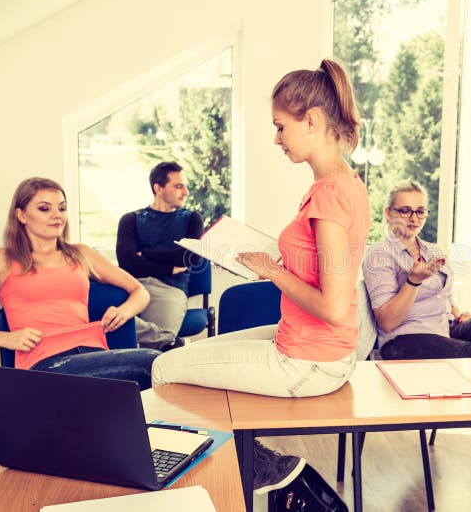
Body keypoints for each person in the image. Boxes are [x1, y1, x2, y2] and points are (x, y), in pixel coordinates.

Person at [151, 59, 371, 493]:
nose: (276, 139)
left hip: (310, 361)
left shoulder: (328, 196)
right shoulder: (347, 184)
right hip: (322, 350)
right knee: (198, 361)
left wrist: (273, 271)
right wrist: (276, 262)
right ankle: (236, 460)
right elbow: (331, 269)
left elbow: (331, 304)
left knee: (164, 368)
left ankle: (261, 467)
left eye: (280, 127)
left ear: (310, 121)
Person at [0, 177, 161, 390]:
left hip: (93, 354)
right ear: (21, 215)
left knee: (158, 368)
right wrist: (6, 339)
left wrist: (123, 311)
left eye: (62, 208)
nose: (57, 215)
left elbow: (140, 291)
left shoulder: (81, 254)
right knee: (153, 363)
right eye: (44, 208)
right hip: (45, 365)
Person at [363, 180, 471, 360]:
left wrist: (458, 314)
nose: (414, 218)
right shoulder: (379, 254)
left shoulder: (433, 250)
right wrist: (413, 281)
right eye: (405, 210)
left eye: (420, 211)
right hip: (405, 340)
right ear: (388, 213)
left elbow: (444, 297)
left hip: (445, 328)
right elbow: (387, 322)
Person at [116, 161, 204, 351]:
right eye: (179, 186)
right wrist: (170, 267)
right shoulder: (131, 219)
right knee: (103, 315)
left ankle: (164, 341)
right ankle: (172, 342)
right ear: (159, 188)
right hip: (131, 286)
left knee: (153, 346)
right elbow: (127, 263)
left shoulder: (191, 219)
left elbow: (190, 258)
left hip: (169, 289)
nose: (186, 192)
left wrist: (146, 253)